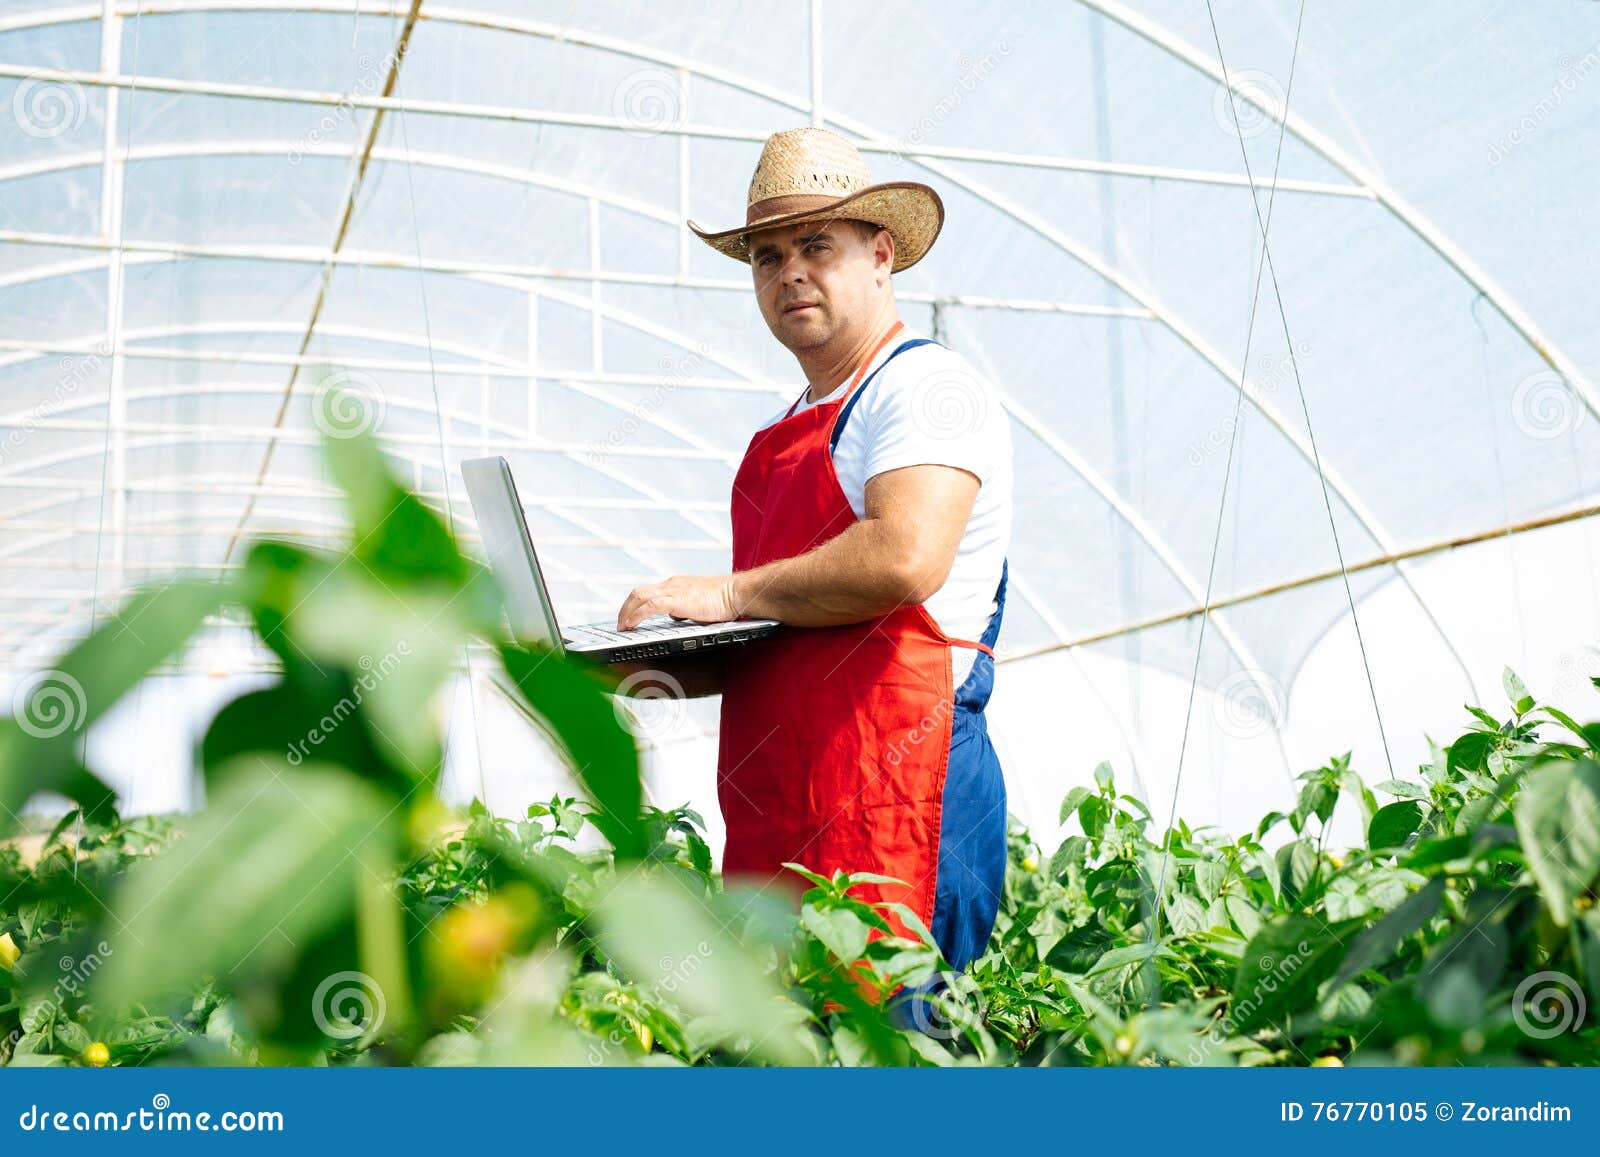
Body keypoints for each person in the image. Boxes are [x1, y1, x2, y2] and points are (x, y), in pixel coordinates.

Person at [616, 126, 1013, 978]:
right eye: (766, 254)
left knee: (895, 1068)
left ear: (881, 255)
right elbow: (787, 632)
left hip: (898, 799)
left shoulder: (925, 389)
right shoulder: (783, 427)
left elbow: (905, 557)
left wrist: (725, 594)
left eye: (815, 245)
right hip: (785, 812)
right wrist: (641, 663)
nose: (788, 270)